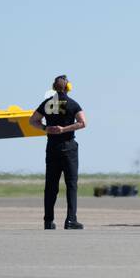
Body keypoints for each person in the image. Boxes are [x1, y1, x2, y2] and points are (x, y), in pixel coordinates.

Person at [29, 75, 86, 230]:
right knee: (71, 185)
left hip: (52, 147)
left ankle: (48, 221)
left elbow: (32, 120)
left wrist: (46, 128)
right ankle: (70, 220)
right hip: (68, 147)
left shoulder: (47, 104)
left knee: (51, 186)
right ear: (68, 88)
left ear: (54, 87)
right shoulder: (73, 104)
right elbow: (82, 123)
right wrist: (64, 129)